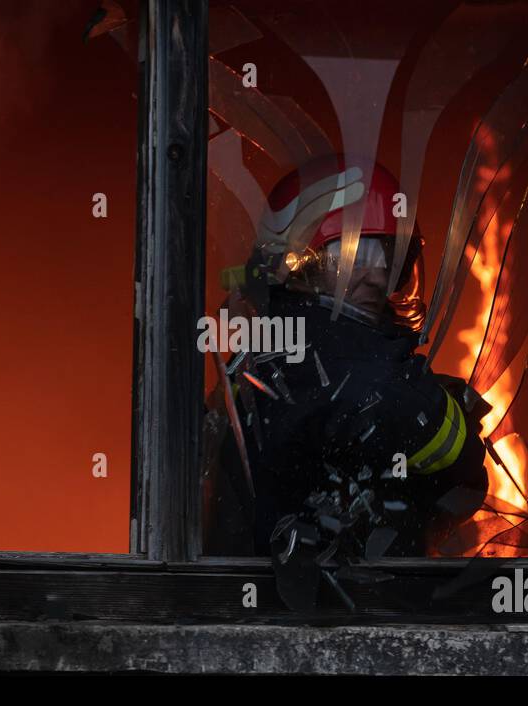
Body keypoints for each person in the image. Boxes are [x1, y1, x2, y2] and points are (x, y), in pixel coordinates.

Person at [203, 156, 491, 610]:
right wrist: (441, 403)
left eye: (388, 256)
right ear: (301, 262)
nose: (378, 272)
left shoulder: (264, 355)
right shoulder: (337, 360)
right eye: (358, 251)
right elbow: (460, 459)